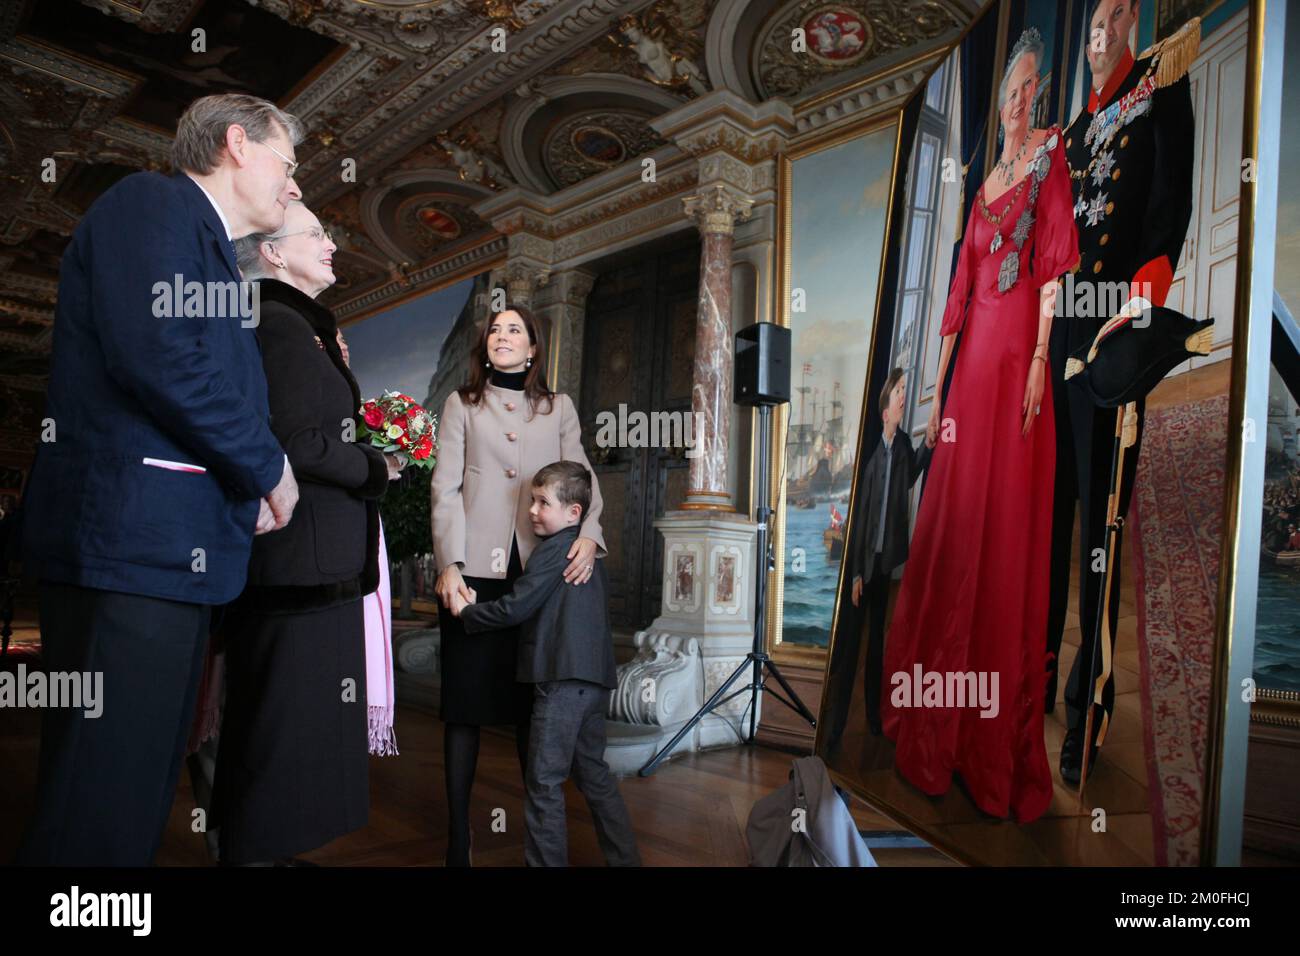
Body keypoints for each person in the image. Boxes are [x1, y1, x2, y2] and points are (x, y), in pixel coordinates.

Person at [17, 94, 304, 866]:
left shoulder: (212, 253)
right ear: (238, 143)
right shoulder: (152, 202)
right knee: (99, 810)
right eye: (289, 164)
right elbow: (160, 354)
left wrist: (239, 488)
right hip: (129, 551)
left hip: (165, 558)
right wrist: (268, 468)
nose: (295, 186)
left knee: (131, 798)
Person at [879, 28, 1079, 824]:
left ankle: (992, 746)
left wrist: (1040, 359)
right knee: (954, 533)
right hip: (969, 378)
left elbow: (1055, 265)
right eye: (1012, 89)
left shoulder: (1050, 156)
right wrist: (937, 391)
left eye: (1032, 86)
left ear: (1041, 91)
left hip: (1019, 364)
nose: (1021, 99)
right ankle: (941, 729)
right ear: (997, 102)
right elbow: (957, 297)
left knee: (1005, 540)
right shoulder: (981, 183)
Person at [211, 201, 400, 865]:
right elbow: (296, 442)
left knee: (291, 731)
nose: (332, 245)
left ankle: (265, 850)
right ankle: (253, 854)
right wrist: (377, 467)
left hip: (311, 566)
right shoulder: (278, 323)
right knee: (280, 731)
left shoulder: (295, 325)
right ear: (271, 252)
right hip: (299, 568)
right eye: (317, 233)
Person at [1047, 0, 1197, 784]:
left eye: (1112, 11)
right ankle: (1038, 677)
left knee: (1099, 533)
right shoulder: (1072, 132)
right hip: (1058, 343)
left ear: (1131, 16)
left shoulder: (1160, 84)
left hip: (1111, 336)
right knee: (1050, 524)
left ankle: (1088, 709)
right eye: (1094, 18)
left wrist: (1133, 313)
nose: (1100, 29)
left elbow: (1168, 212)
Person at [430, 304, 606, 866]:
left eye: (515, 330)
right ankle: (458, 840)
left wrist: (589, 534)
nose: (502, 335)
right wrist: (449, 564)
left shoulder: (559, 408)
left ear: (533, 349)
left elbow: (583, 479)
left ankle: (542, 845)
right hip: (472, 576)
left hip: (539, 575)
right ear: (485, 346)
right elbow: (445, 489)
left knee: (536, 708)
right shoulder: (461, 403)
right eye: (495, 329)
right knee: (464, 708)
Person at [455, 461, 639, 867]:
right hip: (593, 682)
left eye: (542, 503)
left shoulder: (554, 551)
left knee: (543, 782)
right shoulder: (589, 554)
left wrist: (468, 612)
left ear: (574, 512)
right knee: (594, 777)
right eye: (532, 501)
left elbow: (516, 607)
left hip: (561, 683)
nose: (532, 511)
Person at [826, 369, 932, 745]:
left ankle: (873, 715)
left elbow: (910, 476)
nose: (904, 395)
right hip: (863, 568)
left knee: (875, 647)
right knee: (851, 648)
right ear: (885, 409)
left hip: (884, 565)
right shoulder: (869, 457)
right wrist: (855, 574)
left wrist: (928, 445)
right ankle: (836, 725)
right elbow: (857, 522)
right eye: (899, 391)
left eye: (905, 390)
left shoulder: (903, 446)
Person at [337, 327, 401, 757]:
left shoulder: (360, 410)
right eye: (331, 340)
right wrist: (377, 466)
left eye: (345, 342)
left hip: (360, 525)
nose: (342, 346)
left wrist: (396, 462)